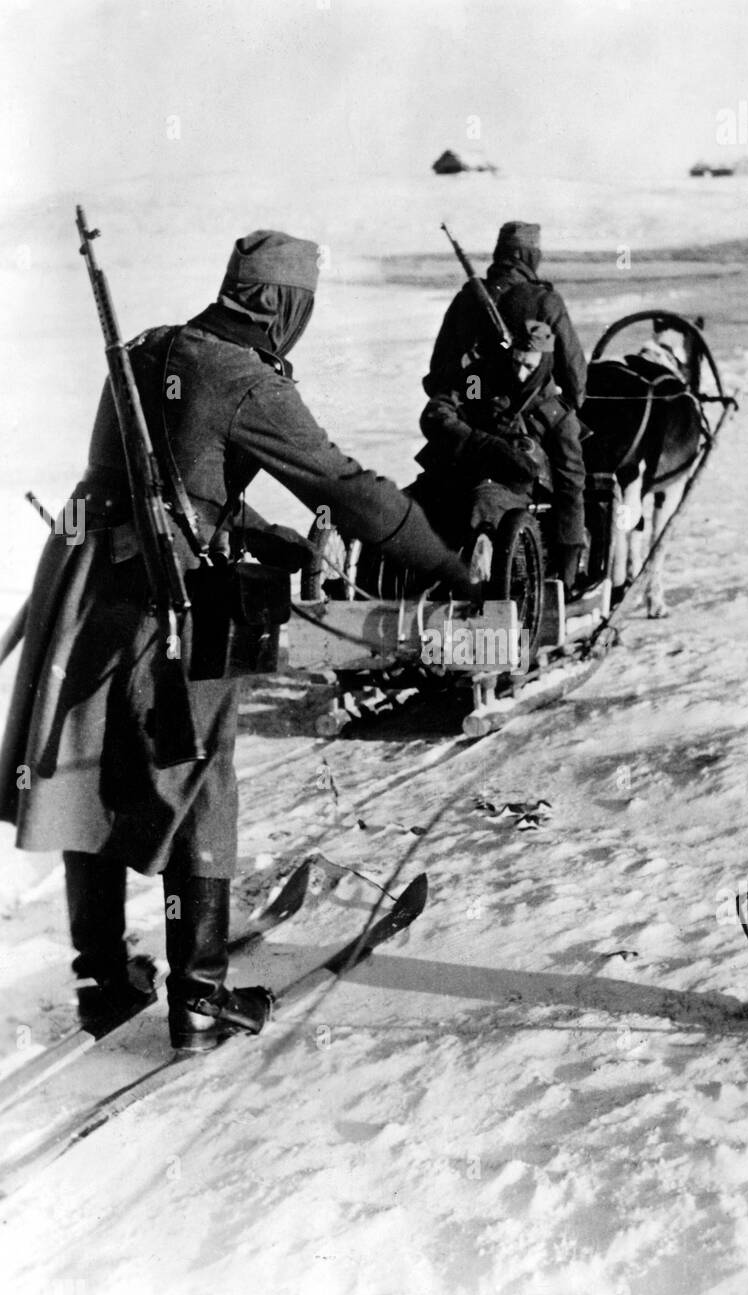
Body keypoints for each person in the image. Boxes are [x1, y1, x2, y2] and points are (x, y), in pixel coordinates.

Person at [0, 229, 477, 1052]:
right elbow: (345, 487)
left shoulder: (145, 349)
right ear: (280, 304)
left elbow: (160, 481)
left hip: (84, 588)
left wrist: (257, 533)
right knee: (196, 772)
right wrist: (444, 562)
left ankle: (103, 983)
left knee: (92, 769)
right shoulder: (247, 380)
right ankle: (201, 996)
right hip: (169, 599)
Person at [424, 222, 588, 582]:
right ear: (531, 257)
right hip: (512, 435)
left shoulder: (468, 297)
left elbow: (437, 374)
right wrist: (560, 410)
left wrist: (467, 389)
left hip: (464, 422)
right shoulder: (545, 301)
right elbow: (574, 375)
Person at [414, 319, 587, 587]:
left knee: (483, 502)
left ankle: (468, 586)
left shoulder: (556, 415)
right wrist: (474, 439)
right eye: (516, 361)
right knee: (412, 500)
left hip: (518, 491)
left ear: (543, 364)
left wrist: (570, 553)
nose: (519, 373)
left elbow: (571, 484)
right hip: (465, 470)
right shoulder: (481, 382)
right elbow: (447, 407)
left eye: (528, 366)